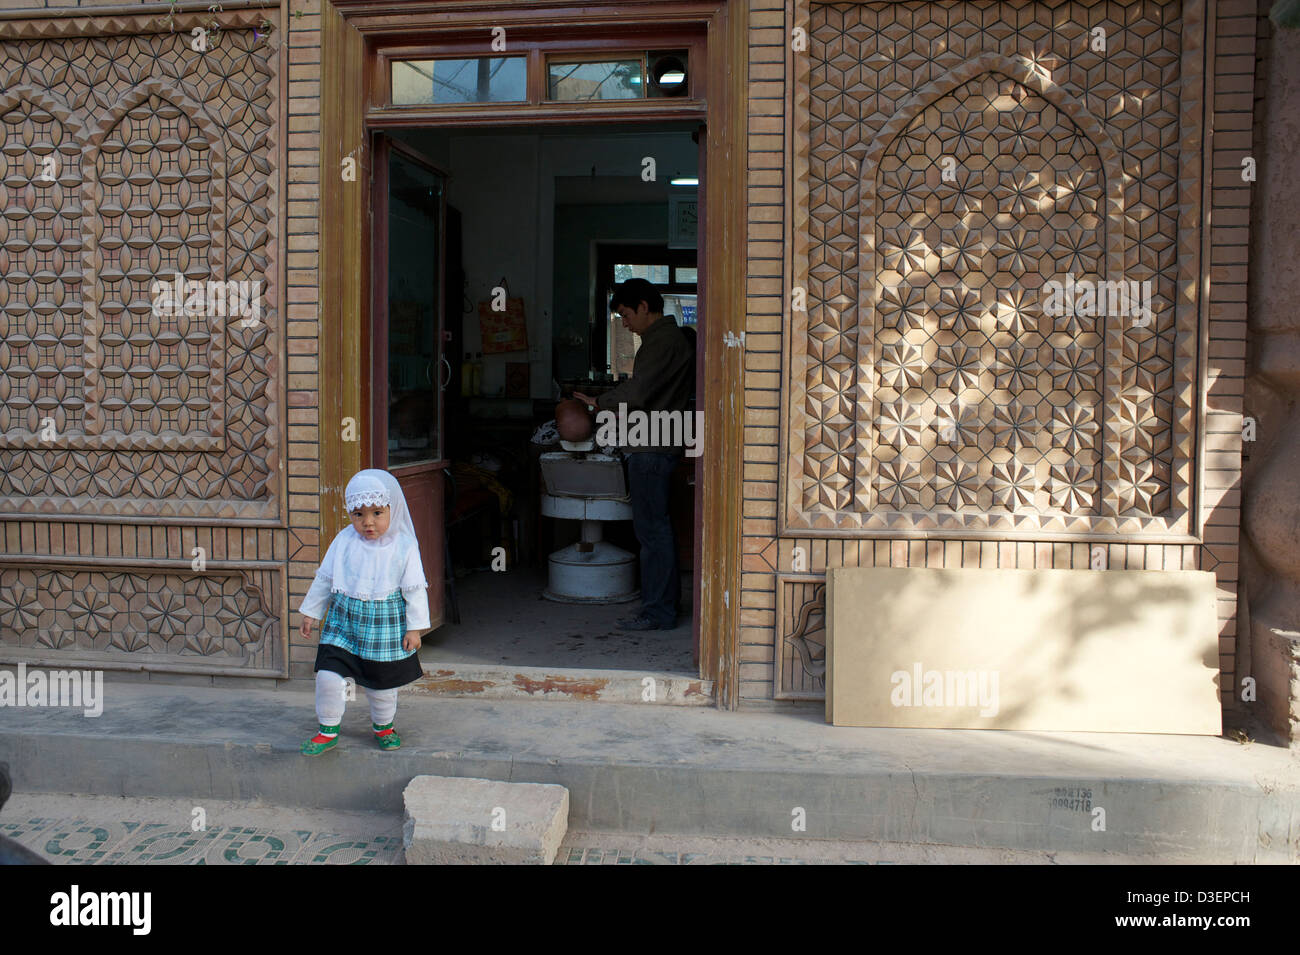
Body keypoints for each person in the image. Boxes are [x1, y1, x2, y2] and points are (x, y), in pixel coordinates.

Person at [574, 278, 695, 631]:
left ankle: (658, 612)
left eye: (626, 314)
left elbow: (639, 392)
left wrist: (601, 401)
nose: (624, 323)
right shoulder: (666, 340)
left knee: (653, 533)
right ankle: (662, 607)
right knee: (656, 531)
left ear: (644, 306)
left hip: (652, 447)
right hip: (657, 442)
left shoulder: (662, 341)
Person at [298, 469, 429, 755]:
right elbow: (326, 578)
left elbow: (415, 589)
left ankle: (383, 726)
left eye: (377, 513)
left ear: (392, 508)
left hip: (384, 625)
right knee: (328, 676)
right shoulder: (344, 541)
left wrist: (415, 627)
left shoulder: (404, 547)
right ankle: (327, 729)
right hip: (343, 623)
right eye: (358, 514)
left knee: (381, 685)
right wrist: (312, 612)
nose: (368, 522)